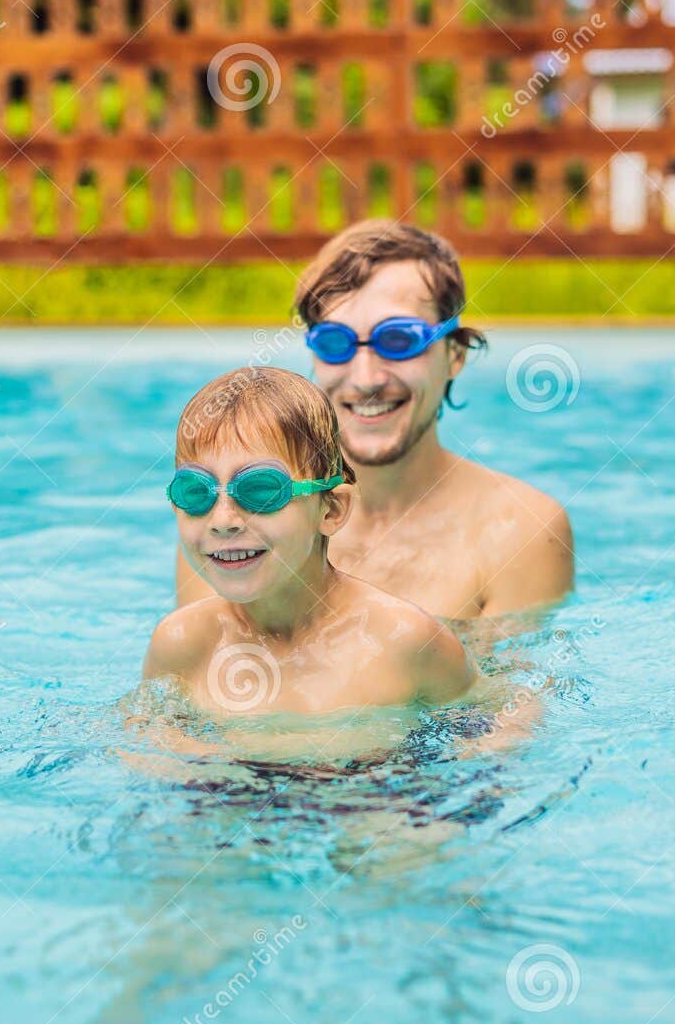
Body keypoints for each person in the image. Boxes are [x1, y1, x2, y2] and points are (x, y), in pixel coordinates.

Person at [177, 220, 573, 621]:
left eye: (399, 340)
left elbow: (506, 686)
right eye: (335, 343)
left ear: (455, 354)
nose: (366, 379)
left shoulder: (521, 532)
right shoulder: (230, 523)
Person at [143, 366, 476, 715]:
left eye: (261, 490)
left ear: (331, 509)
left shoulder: (407, 642)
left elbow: (489, 735)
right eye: (195, 493)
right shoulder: (181, 644)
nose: (223, 520)